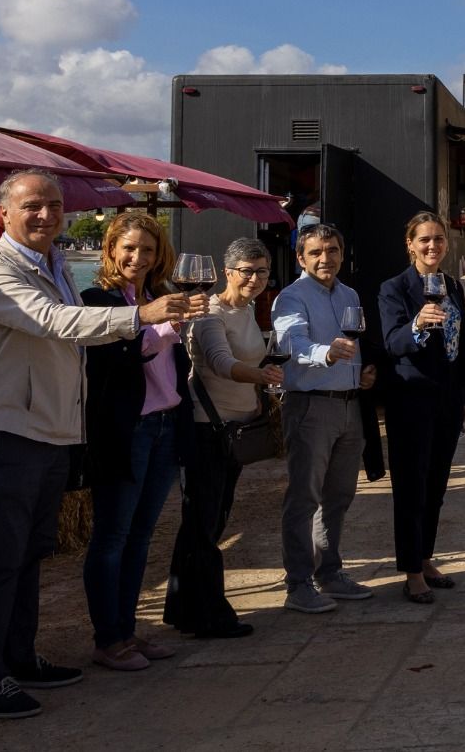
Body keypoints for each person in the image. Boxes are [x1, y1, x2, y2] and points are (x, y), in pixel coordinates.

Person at [0, 170, 193, 719]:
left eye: (54, 205)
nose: (46, 215)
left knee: (31, 554)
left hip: (48, 432)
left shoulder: (54, 264)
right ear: (5, 213)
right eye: (32, 206)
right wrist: (140, 316)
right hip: (5, 429)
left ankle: (20, 658)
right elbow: (54, 321)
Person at [79, 213, 210, 671]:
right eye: (129, 248)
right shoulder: (96, 299)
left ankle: (127, 631)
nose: (138, 257)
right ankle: (107, 638)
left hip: (165, 425)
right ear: (112, 249)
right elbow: (111, 363)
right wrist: (165, 329)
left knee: (140, 536)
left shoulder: (161, 296)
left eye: (148, 250)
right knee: (111, 536)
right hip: (126, 431)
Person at [165, 237, 283, 639]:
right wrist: (263, 377)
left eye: (261, 271)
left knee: (207, 522)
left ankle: (183, 608)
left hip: (233, 429)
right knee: (204, 523)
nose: (254, 278)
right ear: (227, 273)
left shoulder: (247, 310)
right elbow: (221, 363)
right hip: (207, 430)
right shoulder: (210, 313)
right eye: (246, 271)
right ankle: (210, 613)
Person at [274, 222, 378, 614]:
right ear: (301, 257)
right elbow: (291, 341)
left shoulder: (349, 293)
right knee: (304, 497)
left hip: (350, 405)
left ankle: (329, 572)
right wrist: (326, 354)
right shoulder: (291, 297)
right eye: (316, 252)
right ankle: (297, 583)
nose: (325, 258)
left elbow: (355, 343)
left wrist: (363, 372)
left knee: (339, 496)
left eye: (332, 250)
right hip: (311, 405)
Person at [378, 212, 465, 604]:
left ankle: (425, 556)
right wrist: (418, 323)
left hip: (448, 400)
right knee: (410, 487)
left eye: (438, 239)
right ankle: (412, 571)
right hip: (411, 402)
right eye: (424, 240)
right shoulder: (394, 289)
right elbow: (391, 342)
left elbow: (462, 347)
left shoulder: (452, 286)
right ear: (410, 244)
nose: (432, 246)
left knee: (436, 486)